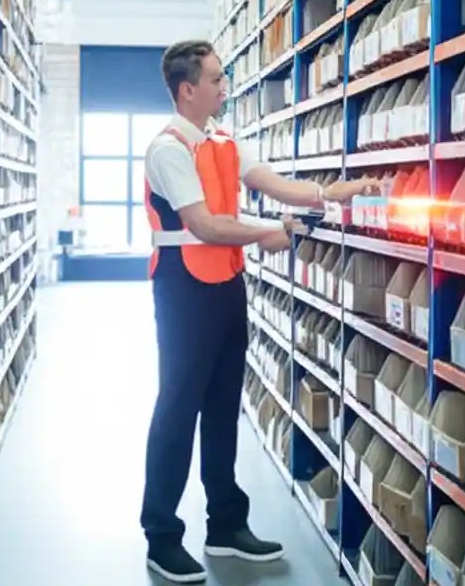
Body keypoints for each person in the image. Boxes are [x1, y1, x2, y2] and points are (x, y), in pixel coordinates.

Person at [140, 40, 381, 583]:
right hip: (183, 290)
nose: (225, 88)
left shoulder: (224, 144)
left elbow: (281, 186)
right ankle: (161, 535)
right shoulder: (169, 148)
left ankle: (225, 526)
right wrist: (268, 232)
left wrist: (339, 192)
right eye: (216, 79)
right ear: (188, 89)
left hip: (226, 283)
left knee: (224, 407)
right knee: (178, 409)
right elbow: (204, 225)